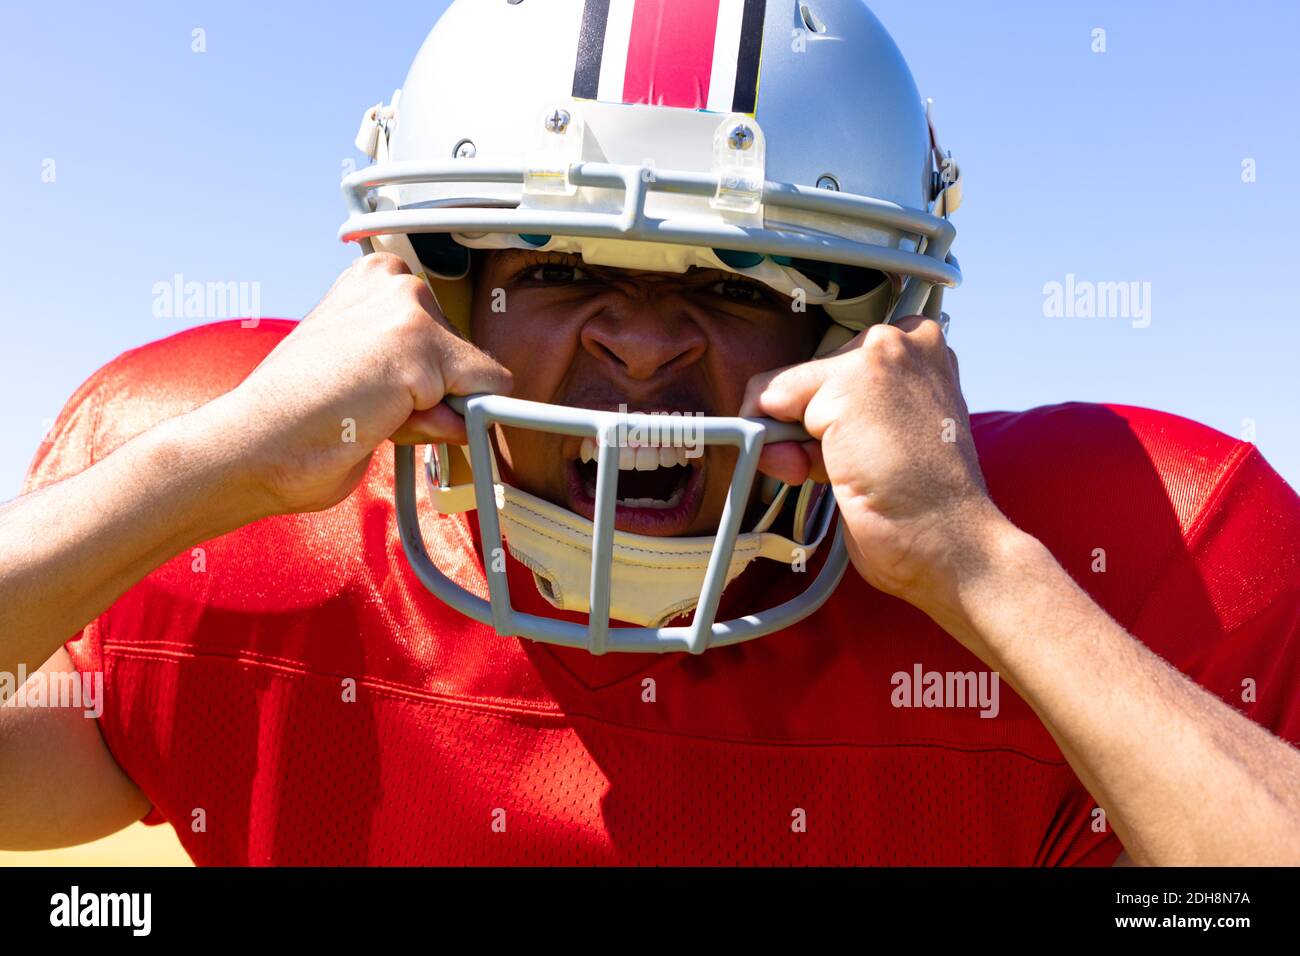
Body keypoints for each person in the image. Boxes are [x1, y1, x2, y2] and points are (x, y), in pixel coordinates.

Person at [2, 0, 1297, 865]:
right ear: (418, 288)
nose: (643, 341)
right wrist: (189, 473)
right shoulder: (242, 527)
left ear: (873, 327)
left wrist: (986, 572)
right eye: (557, 270)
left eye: (742, 282)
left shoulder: (1131, 547)